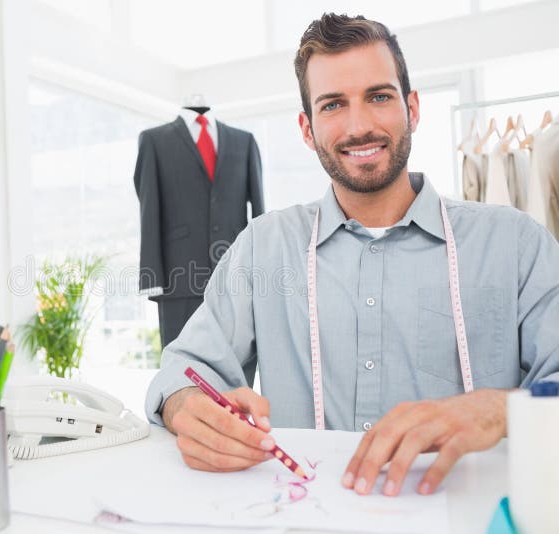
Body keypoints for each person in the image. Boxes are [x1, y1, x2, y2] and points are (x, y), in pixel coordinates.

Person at [144, 13, 559, 498]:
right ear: (306, 128)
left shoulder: (514, 244)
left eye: (379, 96)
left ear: (414, 108)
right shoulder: (263, 248)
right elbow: (182, 371)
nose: (359, 126)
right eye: (334, 104)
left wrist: (497, 408)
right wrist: (186, 408)